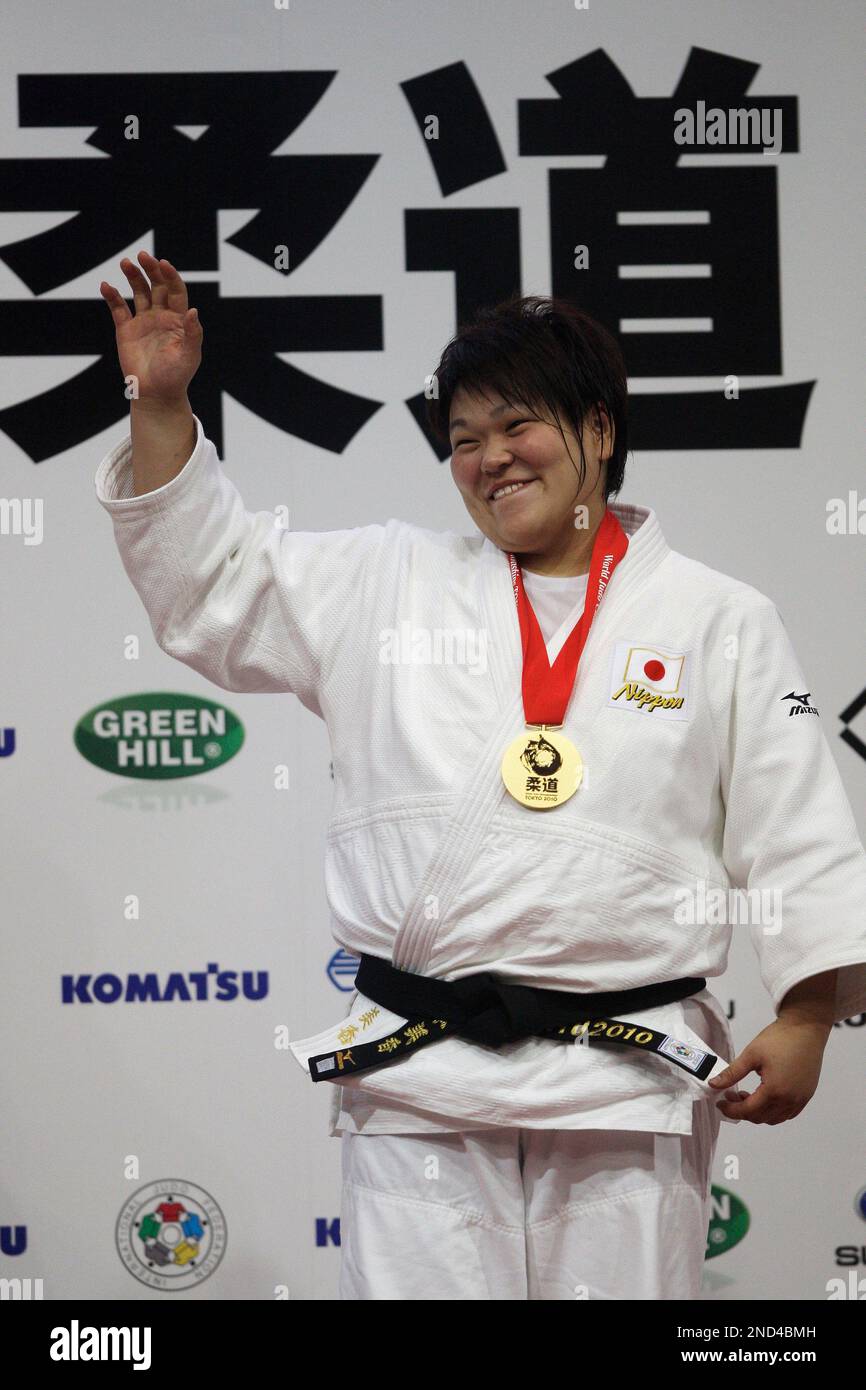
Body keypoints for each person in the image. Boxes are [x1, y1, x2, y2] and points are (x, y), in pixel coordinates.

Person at [96, 251, 866, 1301]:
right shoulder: (383, 579)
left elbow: (796, 826)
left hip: (621, 1078)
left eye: (516, 427)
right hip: (422, 1074)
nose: (489, 459)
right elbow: (207, 586)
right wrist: (160, 401)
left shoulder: (716, 617)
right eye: (463, 440)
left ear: (597, 429)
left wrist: (806, 1013)